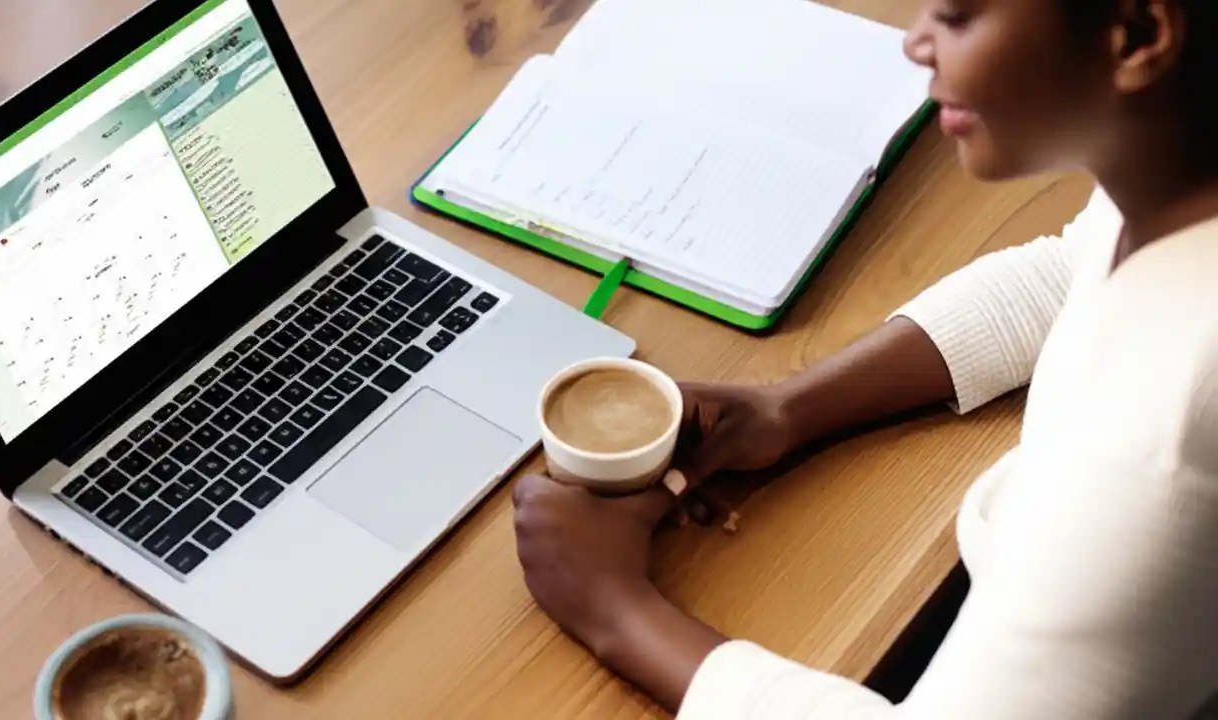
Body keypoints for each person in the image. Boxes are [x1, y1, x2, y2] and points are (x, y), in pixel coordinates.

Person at [511, 0, 1218, 716]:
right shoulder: (1183, 178)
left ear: (1138, 35)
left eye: (958, 16)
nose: (915, 43)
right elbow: (1071, 269)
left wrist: (614, 610)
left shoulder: (1160, 445)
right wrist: (789, 407)